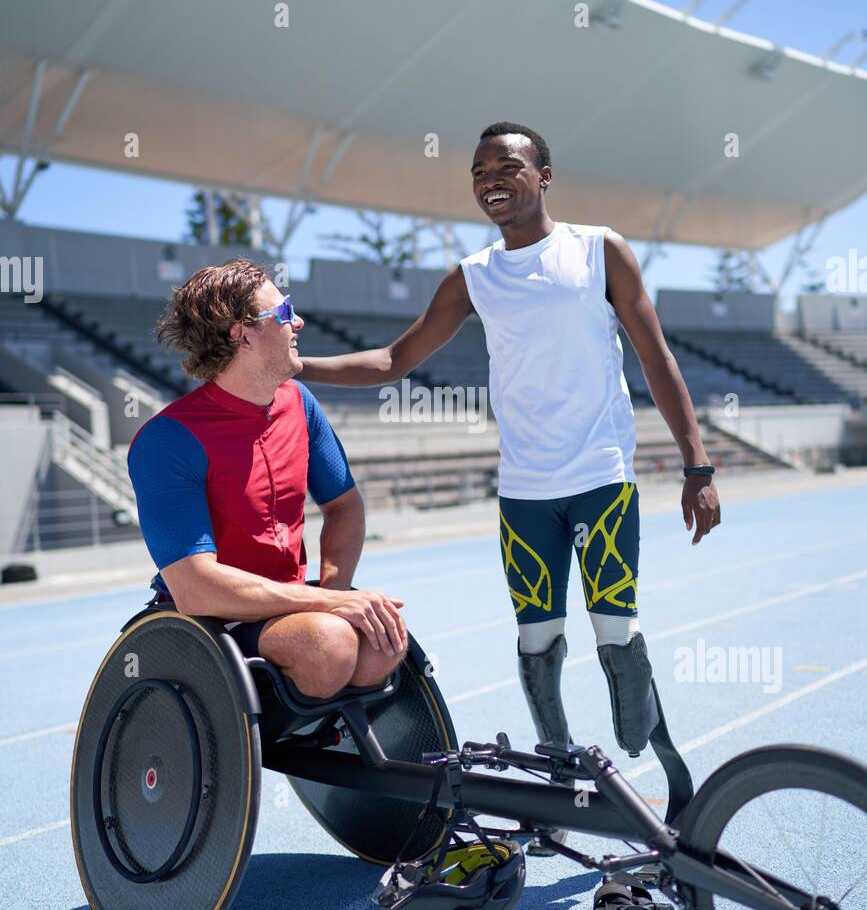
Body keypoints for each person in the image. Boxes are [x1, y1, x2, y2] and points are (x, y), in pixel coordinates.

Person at [299, 121, 721, 850]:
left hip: (600, 479)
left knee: (616, 636)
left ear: (544, 174)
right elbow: (394, 360)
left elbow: (656, 360)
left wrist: (697, 465)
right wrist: (298, 368)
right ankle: (558, 778)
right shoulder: (473, 275)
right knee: (536, 640)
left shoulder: (598, 250)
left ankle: (668, 781)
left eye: (508, 165)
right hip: (524, 492)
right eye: (478, 169)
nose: (491, 177)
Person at [127, 260, 408, 699]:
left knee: (384, 641)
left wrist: (334, 591)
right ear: (242, 335)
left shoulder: (299, 402)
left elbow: (344, 505)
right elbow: (197, 588)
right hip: (212, 619)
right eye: (283, 312)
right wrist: (329, 607)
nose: (297, 321)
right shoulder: (167, 439)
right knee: (328, 644)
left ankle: (318, 744)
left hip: (284, 604)